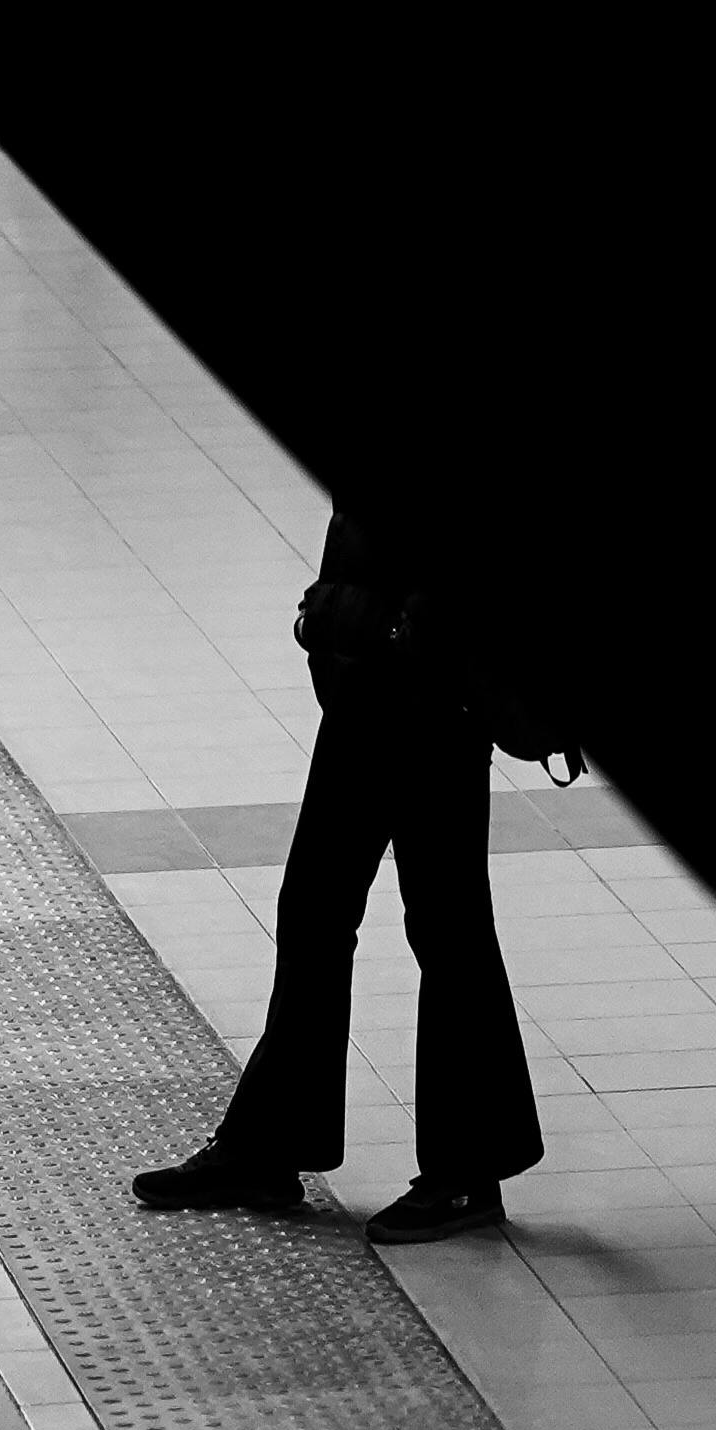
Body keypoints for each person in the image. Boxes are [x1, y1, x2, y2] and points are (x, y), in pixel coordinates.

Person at [134, 487, 544, 1243]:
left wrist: (369, 624)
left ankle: (466, 1170)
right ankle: (269, 1145)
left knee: (445, 923)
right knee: (319, 909)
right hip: (372, 690)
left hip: (429, 697)